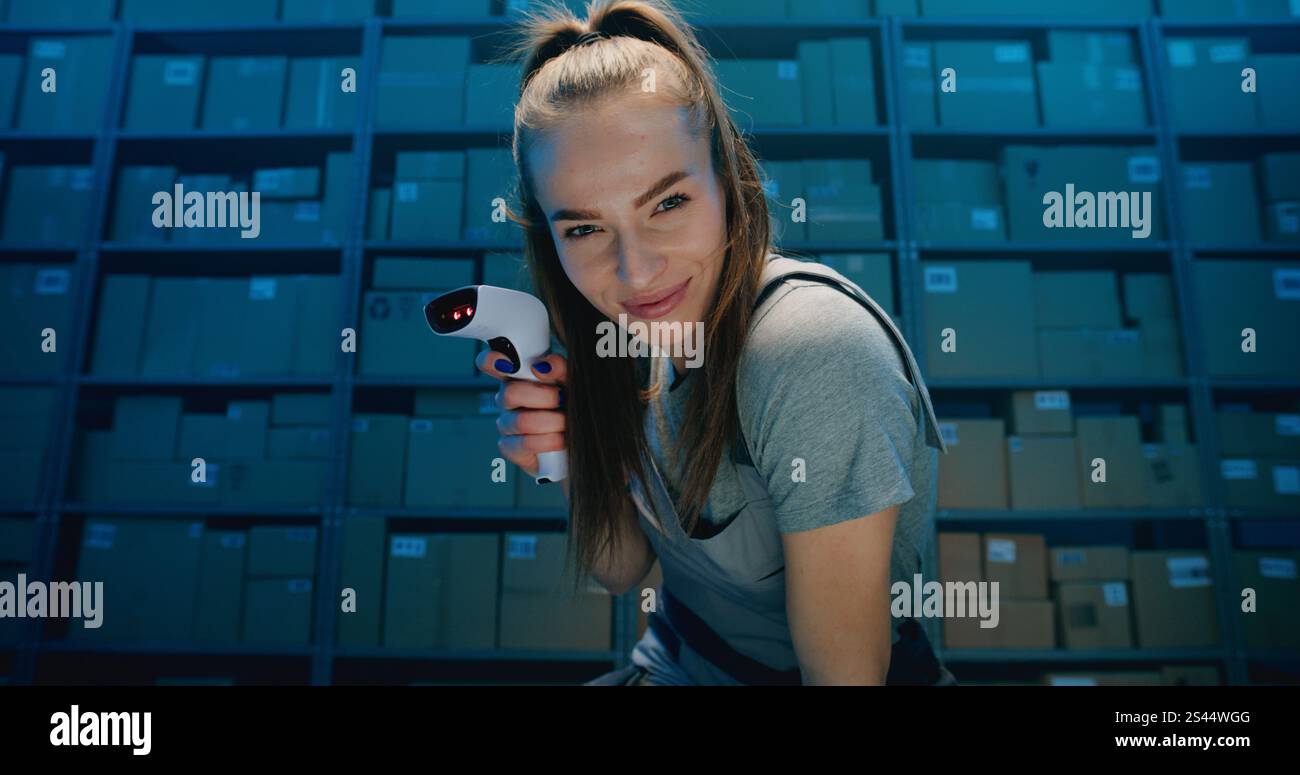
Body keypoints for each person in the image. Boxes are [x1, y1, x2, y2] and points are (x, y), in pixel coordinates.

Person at [478, 0, 953, 685]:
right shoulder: (632, 331)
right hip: (676, 663)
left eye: (668, 203)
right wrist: (566, 457)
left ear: (728, 178)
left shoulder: (812, 351)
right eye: (584, 229)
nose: (636, 271)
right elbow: (620, 568)